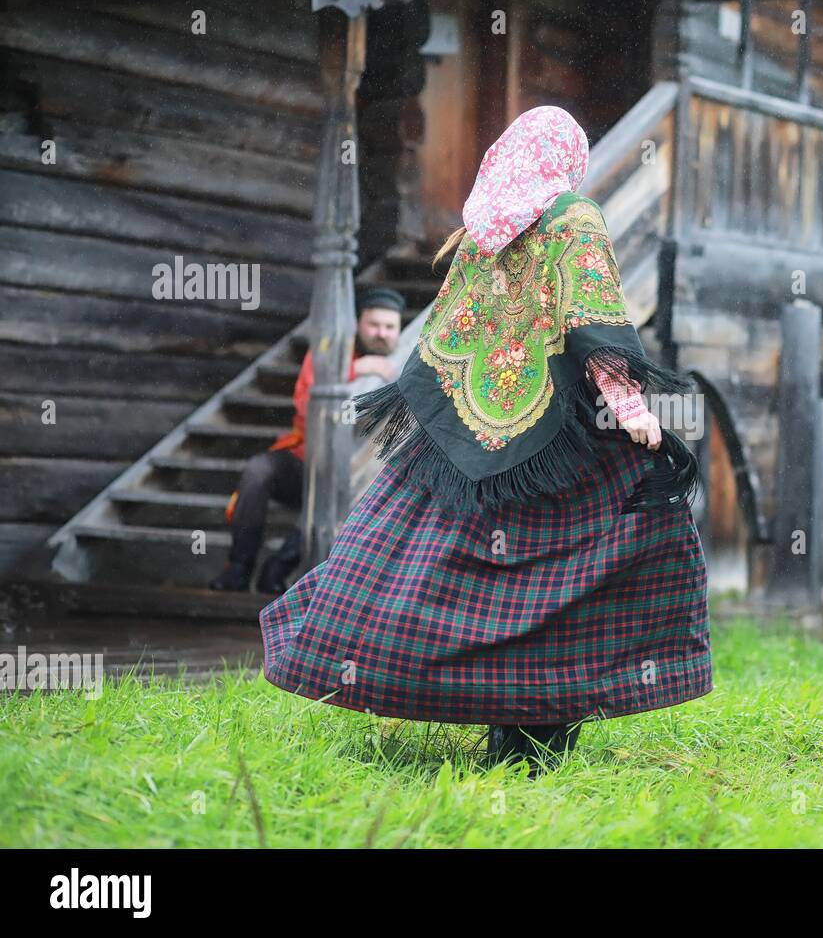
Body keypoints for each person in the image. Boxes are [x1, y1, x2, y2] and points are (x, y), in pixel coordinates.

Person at [258, 105, 713, 777]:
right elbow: (591, 319)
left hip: (470, 437)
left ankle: (499, 725)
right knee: (581, 575)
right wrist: (630, 407)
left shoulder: (484, 227)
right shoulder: (572, 217)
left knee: (448, 582)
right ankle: (534, 739)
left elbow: (450, 331)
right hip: (565, 443)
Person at [209, 286, 405, 594]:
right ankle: (238, 567)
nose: (381, 333)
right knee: (258, 471)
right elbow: (306, 403)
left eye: (389, 327)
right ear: (358, 324)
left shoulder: (405, 359)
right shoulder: (330, 351)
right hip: (305, 458)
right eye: (374, 324)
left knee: (345, 489)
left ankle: (280, 566)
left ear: (399, 330)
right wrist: (355, 369)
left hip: (355, 473)